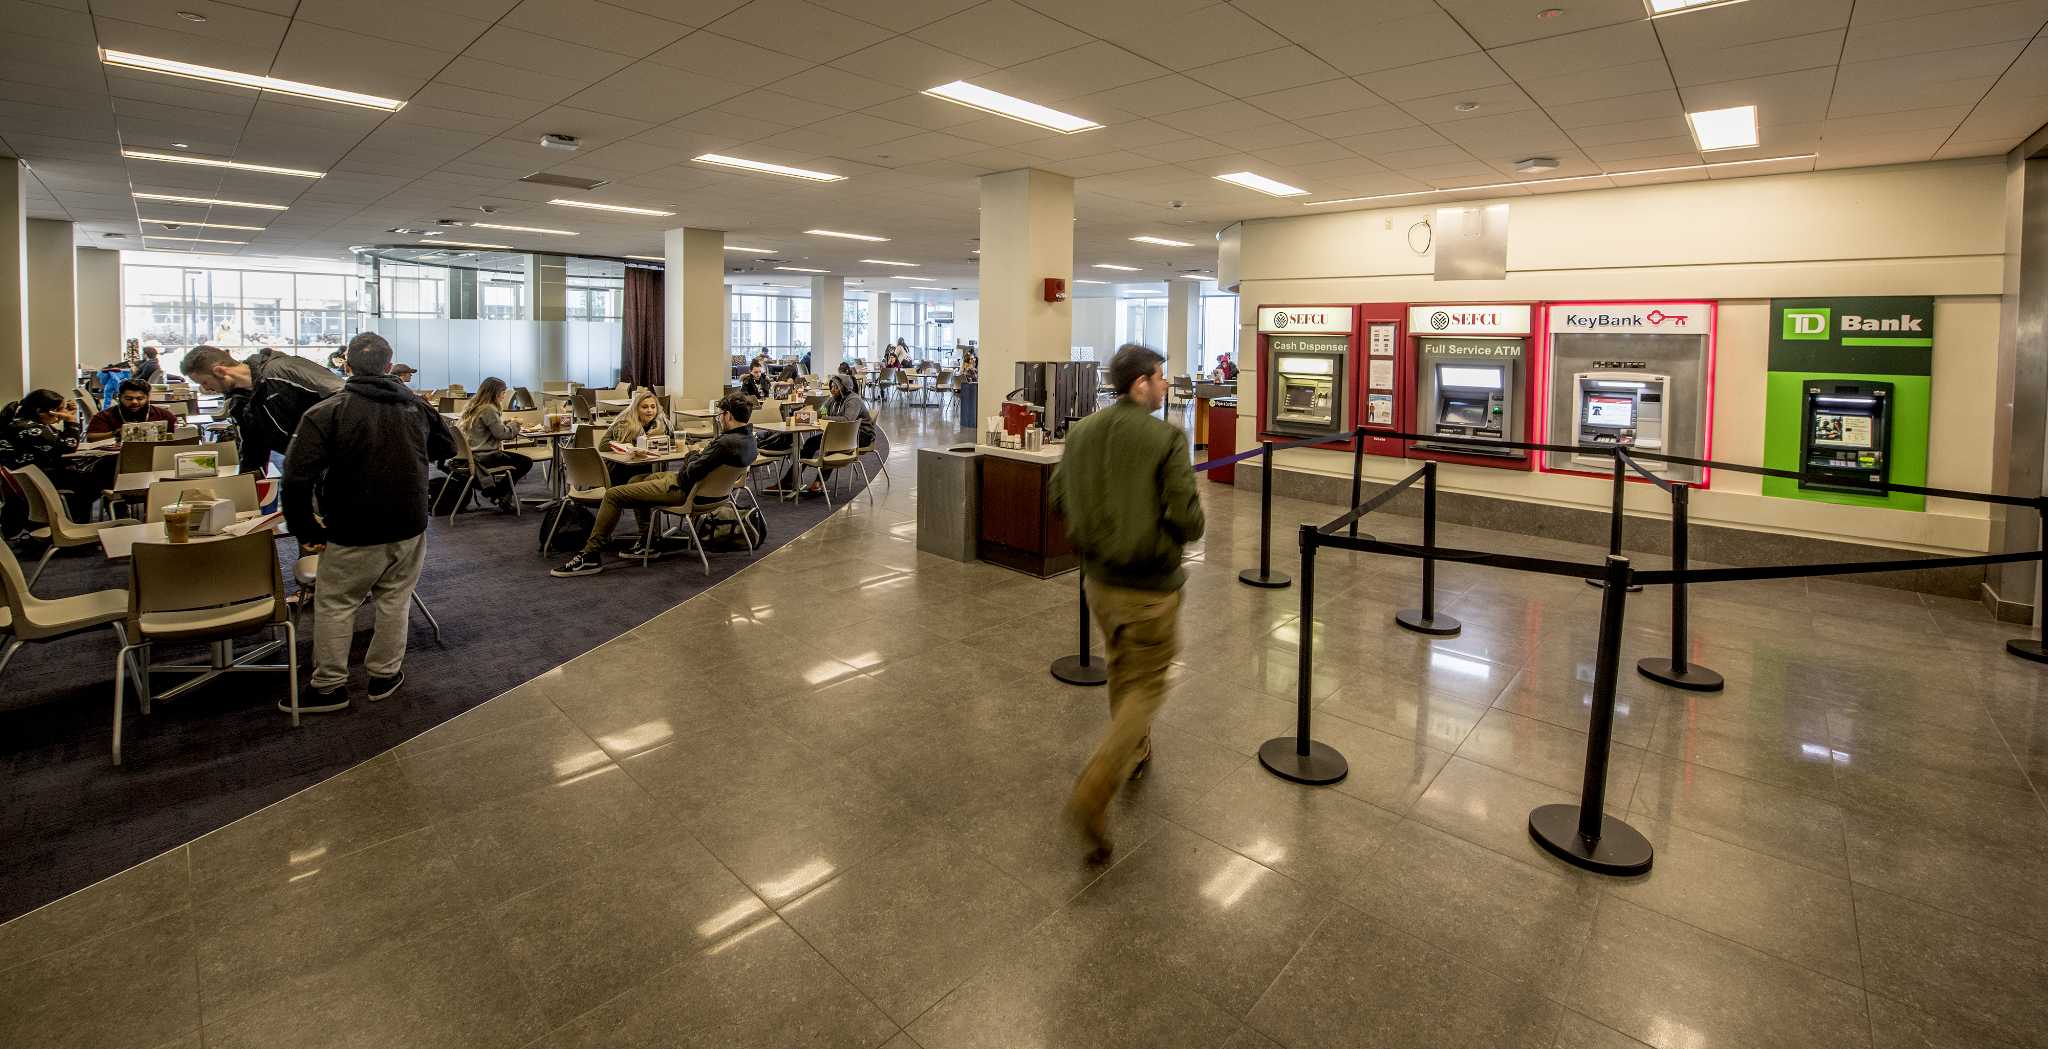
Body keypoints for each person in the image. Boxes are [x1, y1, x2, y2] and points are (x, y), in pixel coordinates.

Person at [1049, 344, 1204, 861]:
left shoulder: (1082, 433)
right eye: (1160, 377)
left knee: (1121, 666)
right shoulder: (1166, 439)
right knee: (1148, 685)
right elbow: (1188, 519)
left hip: (1099, 583)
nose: (1166, 385)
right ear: (1140, 384)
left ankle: (1135, 750)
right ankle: (1097, 785)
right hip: (1150, 588)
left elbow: (1058, 496)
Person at [283, 332, 458, 710]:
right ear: (389, 364)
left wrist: (306, 529)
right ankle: (385, 674)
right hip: (409, 522)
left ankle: (328, 686)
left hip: (353, 526)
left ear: (346, 365)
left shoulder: (327, 411)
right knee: (395, 599)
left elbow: (296, 478)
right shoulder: (415, 406)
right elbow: (447, 447)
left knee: (336, 603)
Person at [552, 393, 757, 577]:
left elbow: (690, 472)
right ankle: (647, 542)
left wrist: (693, 454)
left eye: (721, 415)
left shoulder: (724, 443)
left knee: (613, 494)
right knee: (636, 480)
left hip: (683, 490)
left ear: (728, 416)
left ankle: (590, 555)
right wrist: (699, 456)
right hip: (710, 494)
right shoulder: (749, 441)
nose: (719, 418)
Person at [181, 344, 342, 473]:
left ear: (220, 371)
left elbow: (345, 396)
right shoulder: (240, 404)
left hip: (342, 456)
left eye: (204, 382)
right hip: (309, 467)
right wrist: (248, 488)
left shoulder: (283, 369)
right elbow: (253, 452)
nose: (205, 389)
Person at [0, 389, 113, 521]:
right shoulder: (28, 428)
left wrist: (67, 419)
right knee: (102, 476)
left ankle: (83, 518)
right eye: (59, 410)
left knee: (101, 470)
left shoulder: (29, 424)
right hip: (40, 478)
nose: (61, 413)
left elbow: (60, 440)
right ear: (40, 411)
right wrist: (71, 421)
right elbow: (68, 447)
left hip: (40, 474)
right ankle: (80, 520)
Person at [456, 377, 532, 512]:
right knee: (525, 462)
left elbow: (490, 428)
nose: (504, 396)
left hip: (470, 455)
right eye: (503, 392)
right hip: (485, 456)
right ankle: (497, 493)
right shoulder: (489, 409)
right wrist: (515, 424)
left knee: (518, 461)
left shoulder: (475, 407)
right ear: (495, 393)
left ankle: (498, 495)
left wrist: (505, 424)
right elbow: (503, 435)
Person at [87, 379, 178, 441]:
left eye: (140, 398)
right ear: (119, 397)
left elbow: (178, 435)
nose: (134, 402)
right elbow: (91, 437)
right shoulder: (105, 416)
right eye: (129, 399)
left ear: (148, 398)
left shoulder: (164, 415)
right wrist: (116, 433)